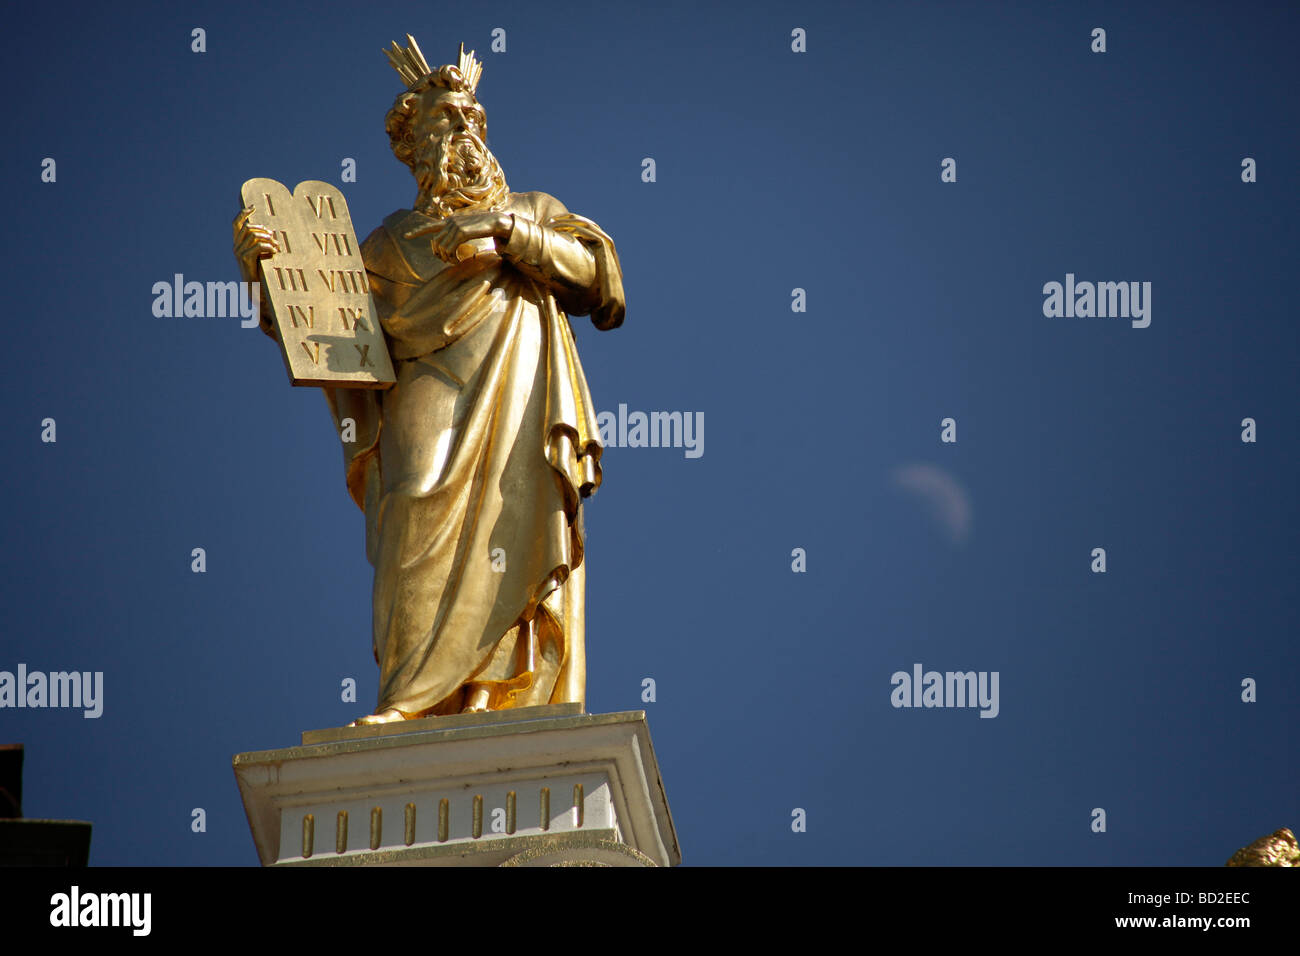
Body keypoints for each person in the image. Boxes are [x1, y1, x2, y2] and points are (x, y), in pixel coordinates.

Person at [234, 38, 624, 724]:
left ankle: (499, 693)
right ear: (414, 144)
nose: (467, 136)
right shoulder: (388, 244)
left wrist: (509, 233)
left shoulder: (528, 208)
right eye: (449, 122)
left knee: (517, 519)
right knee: (412, 504)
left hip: (518, 388)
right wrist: (264, 274)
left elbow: (599, 281)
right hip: (427, 383)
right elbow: (331, 333)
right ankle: (412, 699)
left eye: (473, 121)